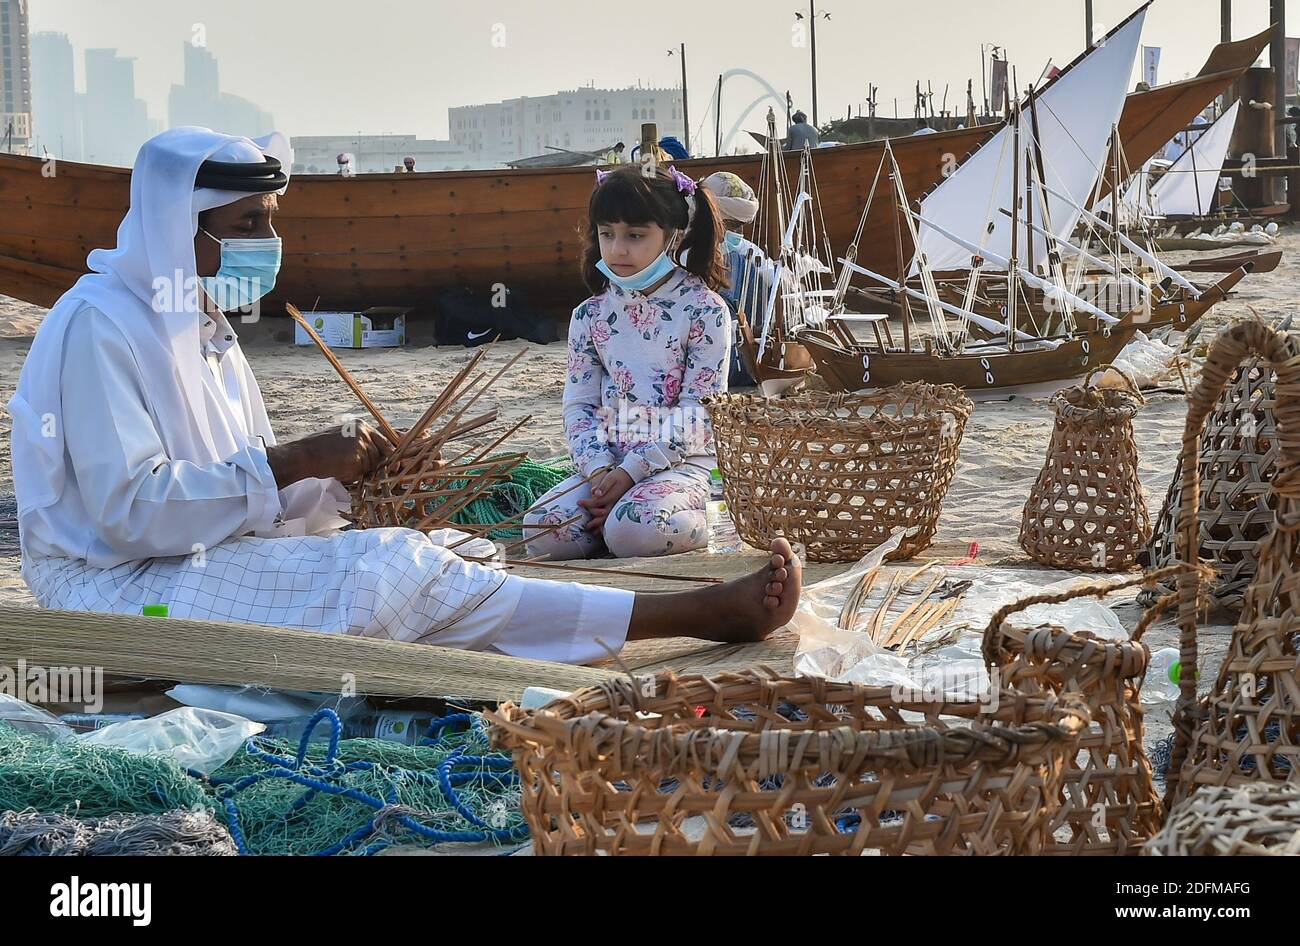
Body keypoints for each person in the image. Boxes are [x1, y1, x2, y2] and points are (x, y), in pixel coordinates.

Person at [8, 127, 801, 665]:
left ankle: (579, 613)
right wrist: (298, 460)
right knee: (390, 574)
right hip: (115, 589)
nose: (267, 243)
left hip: (193, 555)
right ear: (176, 226)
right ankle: (689, 616)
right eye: (247, 223)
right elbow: (129, 512)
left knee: (448, 552)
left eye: (271, 222)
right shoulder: (98, 327)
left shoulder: (201, 323)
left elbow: (242, 489)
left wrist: (346, 487)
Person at [522, 164, 731, 560]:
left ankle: (715, 515)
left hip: (681, 464)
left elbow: (699, 411)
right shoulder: (589, 314)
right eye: (607, 234)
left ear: (674, 235)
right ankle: (615, 520)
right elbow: (579, 405)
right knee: (542, 531)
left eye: (635, 235)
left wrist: (632, 472)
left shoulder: (706, 310)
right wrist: (601, 471)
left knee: (634, 530)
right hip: (607, 467)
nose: (617, 249)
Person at [698, 171, 770, 387]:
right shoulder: (754, 253)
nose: (737, 233)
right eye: (732, 225)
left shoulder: (745, 256)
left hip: (738, 369)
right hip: (744, 366)